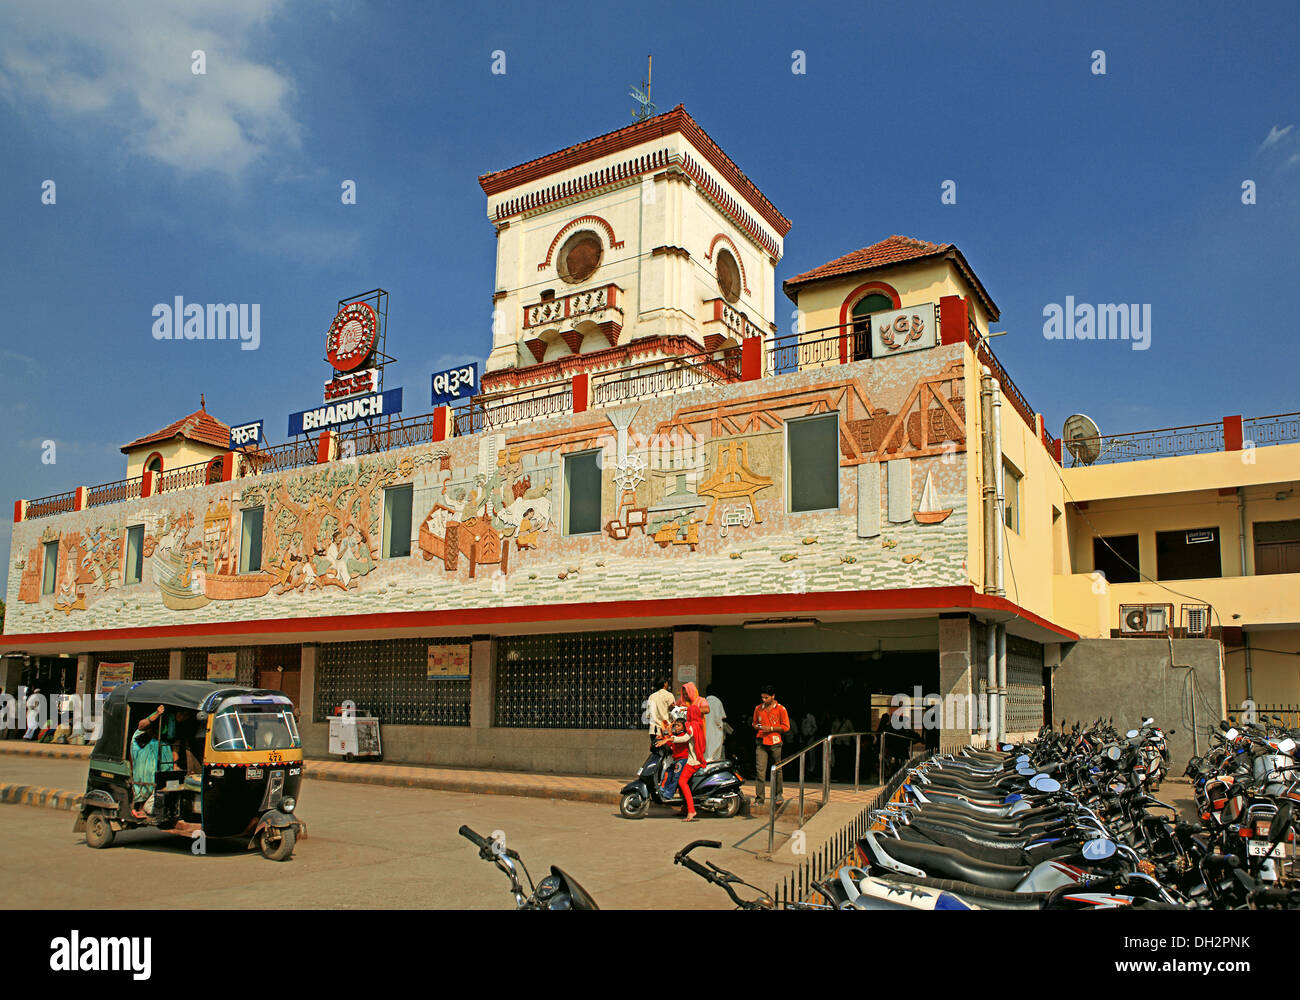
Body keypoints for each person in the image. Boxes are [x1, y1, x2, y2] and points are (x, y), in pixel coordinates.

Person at [658, 707, 701, 822]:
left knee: (681, 781)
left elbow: (684, 739)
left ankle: (691, 810)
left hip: (692, 760)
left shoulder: (692, 727)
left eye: (689, 714)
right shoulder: (697, 725)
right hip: (692, 759)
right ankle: (684, 808)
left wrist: (668, 740)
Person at [752, 685, 790, 805]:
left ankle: (778, 795)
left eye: (766, 697)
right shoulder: (758, 708)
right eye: (762, 697)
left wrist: (771, 728)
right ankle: (759, 797)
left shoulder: (781, 709)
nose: (764, 700)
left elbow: (786, 727)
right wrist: (757, 727)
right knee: (760, 770)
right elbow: (754, 723)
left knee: (777, 769)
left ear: (773, 696)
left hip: (775, 742)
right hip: (761, 742)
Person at [679, 681, 709, 766]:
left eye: (687, 694)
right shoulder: (683, 701)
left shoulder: (701, 700)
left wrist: (691, 710)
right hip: (686, 733)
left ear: (691, 692)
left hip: (698, 732)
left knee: (697, 753)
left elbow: (707, 710)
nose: (685, 696)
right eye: (684, 694)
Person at [646, 677, 676, 752]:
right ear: (665, 684)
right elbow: (673, 713)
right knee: (668, 752)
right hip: (666, 730)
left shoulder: (651, 697)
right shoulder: (669, 695)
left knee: (656, 752)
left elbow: (648, 715)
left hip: (653, 730)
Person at [704, 686, 728, 763]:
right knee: (715, 755)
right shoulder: (717, 701)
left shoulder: (704, 701)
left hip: (705, 730)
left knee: (707, 753)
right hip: (715, 731)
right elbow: (720, 717)